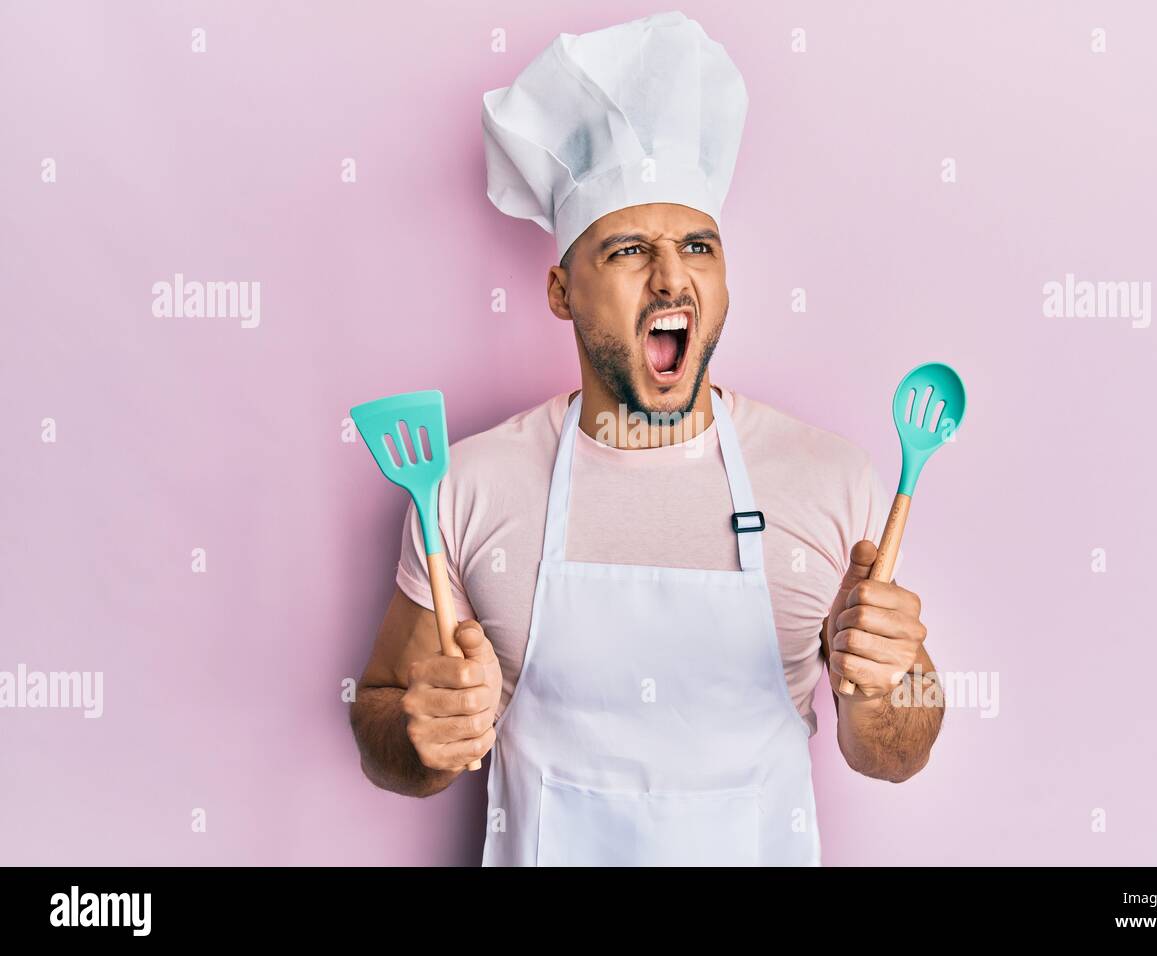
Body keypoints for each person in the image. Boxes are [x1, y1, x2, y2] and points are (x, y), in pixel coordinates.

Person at [350, 10, 943, 867]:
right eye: (629, 249)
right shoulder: (465, 487)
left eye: (698, 245)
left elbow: (895, 753)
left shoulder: (832, 481)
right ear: (561, 290)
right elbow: (380, 719)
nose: (672, 275)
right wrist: (421, 731)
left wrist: (897, 679)